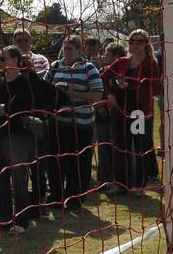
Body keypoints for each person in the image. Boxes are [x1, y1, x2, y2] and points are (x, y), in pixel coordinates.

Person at [0, 46, 49, 231]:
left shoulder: (26, 83)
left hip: (19, 136)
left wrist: (4, 108)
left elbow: (22, 107)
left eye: (3, 58)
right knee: (2, 178)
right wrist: (5, 108)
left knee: (19, 179)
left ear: (15, 61)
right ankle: (4, 219)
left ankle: (21, 221)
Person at [46, 35, 104, 210]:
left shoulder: (89, 68)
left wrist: (72, 93)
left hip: (81, 124)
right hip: (58, 123)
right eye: (65, 47)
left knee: (79, 163)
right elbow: (44, 88)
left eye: (71, 48)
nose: (67, 51)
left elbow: (97, 95)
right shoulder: (56, 66)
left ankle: (74, 198)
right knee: (56, 162)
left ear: (79, 51)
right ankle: (56, 196)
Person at [101, 29, 161, 191]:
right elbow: (103, 78)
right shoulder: (121, 62)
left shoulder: (151, 64)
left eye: (139, 41)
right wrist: (111, 94)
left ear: (146, 44)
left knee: (139, 146)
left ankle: (138, 184)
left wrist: (131, 86)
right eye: (132, 41)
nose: (135, 44)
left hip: (139, 111)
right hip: (120, 110)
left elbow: (154, 89)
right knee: (121, 145)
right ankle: (121, 184)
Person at [14, 29, 53, 215]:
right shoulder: (8, 59)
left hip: (38, 116)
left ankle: (40, 203)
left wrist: (28, 70)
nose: (22, 42)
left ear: (31, 41)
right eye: (18, 40)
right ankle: (21, 204)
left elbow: (42, 82)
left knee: (39, 164)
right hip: (17, 118)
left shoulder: (41, 60)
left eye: (25, 39)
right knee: (19, 164)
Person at [93, 40, 124, 185]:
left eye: (107, 54)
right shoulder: (102, 71)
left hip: (119, 114)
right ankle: (104, 179)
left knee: (117, 147)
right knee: (103, 146)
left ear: (116, 56)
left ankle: (118, 179)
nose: (104, 56)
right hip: (102, 113)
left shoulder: (124, 72)